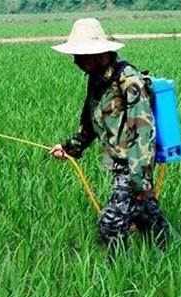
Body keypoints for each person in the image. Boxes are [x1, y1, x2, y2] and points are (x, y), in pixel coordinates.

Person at [49, 18, 169, 251]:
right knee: (146, 217)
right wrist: (69, 148)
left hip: (134, 165)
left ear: (98, 54)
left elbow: (142, 133)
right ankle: (168, 253)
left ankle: (118, 274)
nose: (75, 61)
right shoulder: (98, 81)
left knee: (111, 223)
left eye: (80, 56)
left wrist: (139, 180)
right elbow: (90, 123)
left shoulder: (130, 81)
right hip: (120, 163)